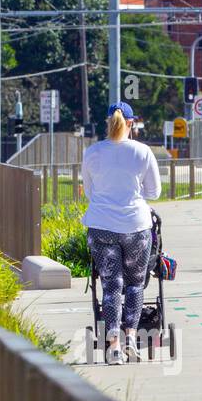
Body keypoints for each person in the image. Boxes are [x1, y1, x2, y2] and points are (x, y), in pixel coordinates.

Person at [82, 101, 162, 365]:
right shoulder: (142, 152)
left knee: (111, 284)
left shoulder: (92, 152)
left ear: (108, 122)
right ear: (131, 123)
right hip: (136, 227)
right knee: (134, 284)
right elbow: (154, 192)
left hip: (102, 225)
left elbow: (90, 192)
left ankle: (113, 344)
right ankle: (131, 338)